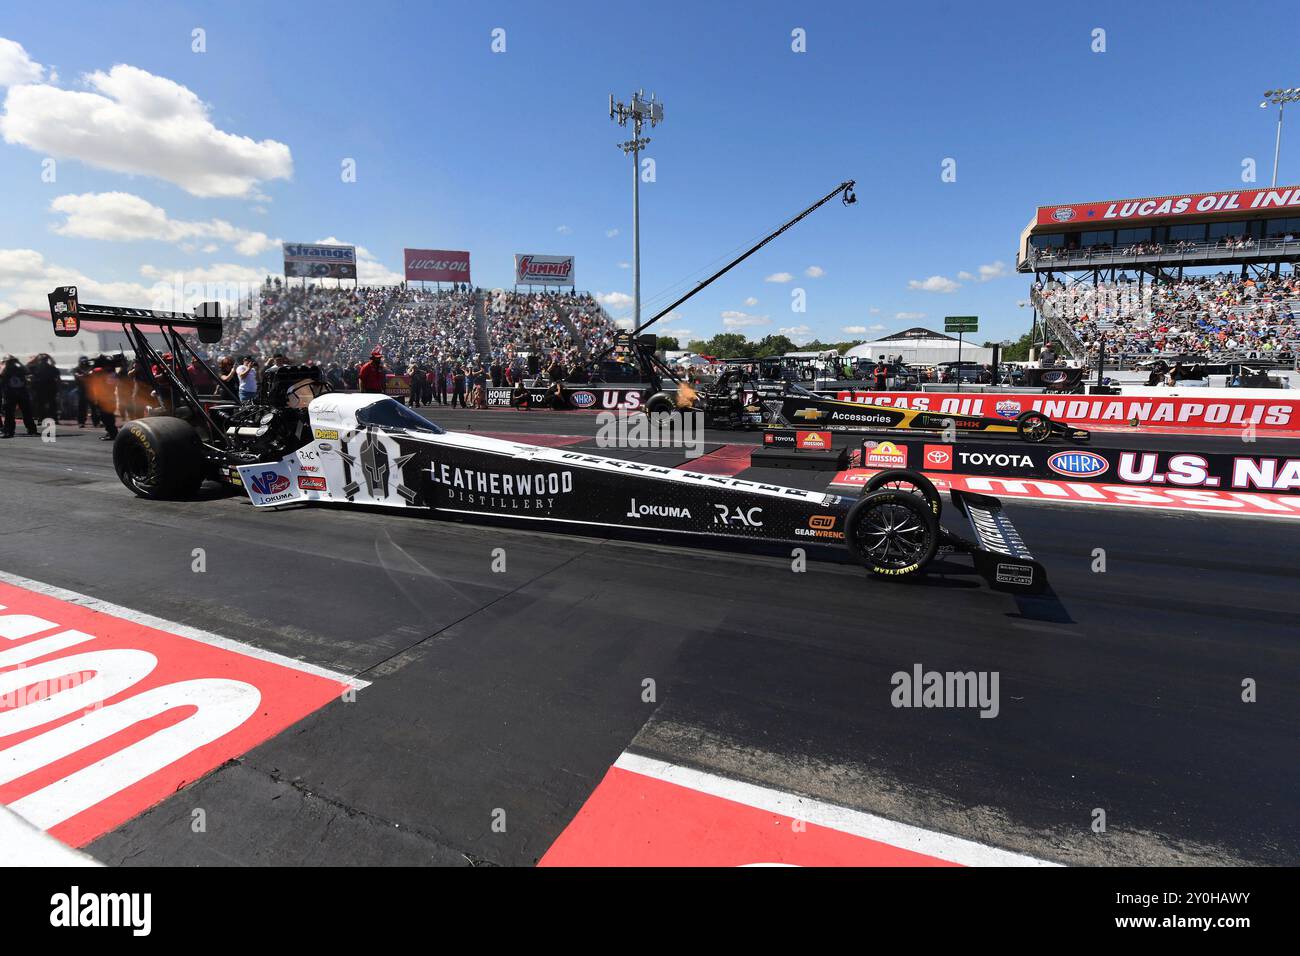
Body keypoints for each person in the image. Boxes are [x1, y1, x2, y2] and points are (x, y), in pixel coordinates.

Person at [1, 356, 37, 437]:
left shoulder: (18, 369)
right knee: (9, 413)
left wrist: (18, 362)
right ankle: (9, 431)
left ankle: (32, 430)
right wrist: (6, 363)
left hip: (21, 392)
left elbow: (27, 371)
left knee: (27, 412)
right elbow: (1, 373)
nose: (11, 363)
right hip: (10, 393)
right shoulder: (5, 369)